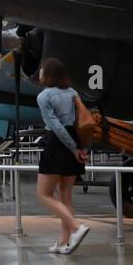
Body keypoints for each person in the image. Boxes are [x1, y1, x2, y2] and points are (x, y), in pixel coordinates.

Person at [35, 58, 89, 254]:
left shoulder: (44, 96)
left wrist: (73, 148)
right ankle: (64, 242)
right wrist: (80, 147)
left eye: (41, 70)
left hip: (58, 143)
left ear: (47, 74)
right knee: (65, 195)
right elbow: (81, 122)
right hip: (74, 140)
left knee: (43, 194)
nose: (39, 73)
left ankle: (76, 227)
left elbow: (56, 126)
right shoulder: (72, 92)